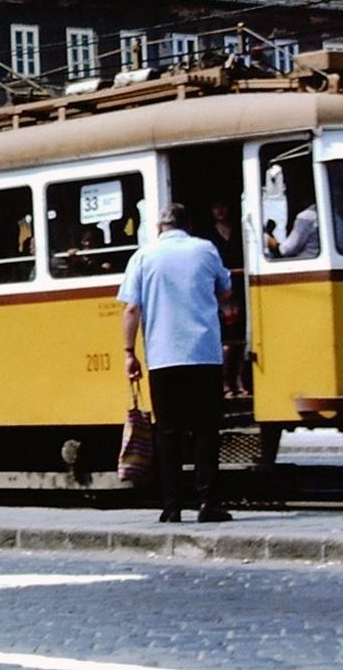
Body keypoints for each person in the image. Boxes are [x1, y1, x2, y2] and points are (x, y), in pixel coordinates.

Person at [119, 202, 235, 524]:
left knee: (168, 434)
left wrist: (129, 352)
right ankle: (208, 503)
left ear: (159, 227)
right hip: (204, 355)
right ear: (189, 225)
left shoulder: (143, 256)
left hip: (163, 358)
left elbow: (131, 309)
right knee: (205, 431)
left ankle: (171, 507)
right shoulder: (205, 250)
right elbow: (225, 292)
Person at [201, 198, 248, 398]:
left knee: (240, 338)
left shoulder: (240, 231)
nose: (219, 210)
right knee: (225, 339)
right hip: (218, 291)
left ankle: (238, 380)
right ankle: (225, 384)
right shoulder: (207, 237)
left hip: (239, 289)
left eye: (223, 205)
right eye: (215, 206)